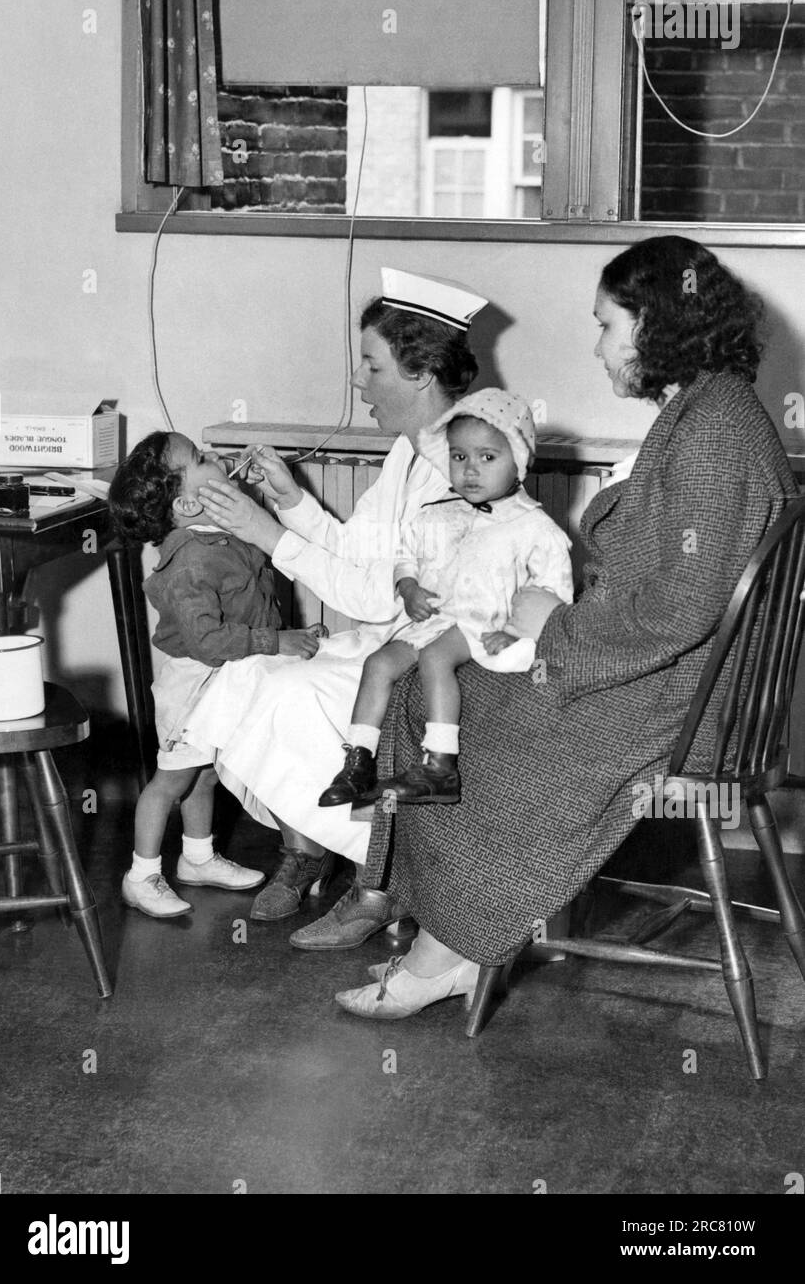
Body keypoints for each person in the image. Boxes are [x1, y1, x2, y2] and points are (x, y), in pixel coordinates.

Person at [333, 234, 798, 1019]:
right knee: (441, 689)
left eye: (606, 326)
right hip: (681, 685)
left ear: (653, 325)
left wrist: (553, 627)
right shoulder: (708, 408)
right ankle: (450, 942)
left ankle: (448, 947)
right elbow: (676, 575)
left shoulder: (711, 428)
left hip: (683, 709)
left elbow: (679, 608)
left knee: (437, 703)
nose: (598, 347)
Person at [183, 269, 490, 945]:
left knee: (293, 692)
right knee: (245, 676)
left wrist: (262, 531)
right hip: (394, 636)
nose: (358, 381)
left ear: (418, 373)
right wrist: (289, 499)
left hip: (441, 663)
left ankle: (380, 880)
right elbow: (359, 551)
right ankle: (309, 846)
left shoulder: (458, 460)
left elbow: (371, 591)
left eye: (370, 364)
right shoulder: (414, 449)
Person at [318, 388, 573, 810]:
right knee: (378, 663)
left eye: (487, 458)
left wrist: (514, 633)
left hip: (483, 622)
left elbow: (554, 593)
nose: (471, 470)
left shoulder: (535, 528)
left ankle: (439, 764)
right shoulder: (438, 511)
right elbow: (406, 555)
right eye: (459, 457)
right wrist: (409, 587)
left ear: (519, 462)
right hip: (435, 619)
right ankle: (358, 760)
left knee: (436, 657)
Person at [108, 431, 323, 919]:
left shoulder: (220, 535)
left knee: (204, 776)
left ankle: (198, 857)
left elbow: (253, 602)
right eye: (203, 459)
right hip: (195, 685)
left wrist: (287, 639)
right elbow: (208, 642)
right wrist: (277, 642)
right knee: (172, 781)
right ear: (186, 504)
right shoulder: (191, 563)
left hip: (227, 677)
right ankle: (141, 875)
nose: (218, 458)